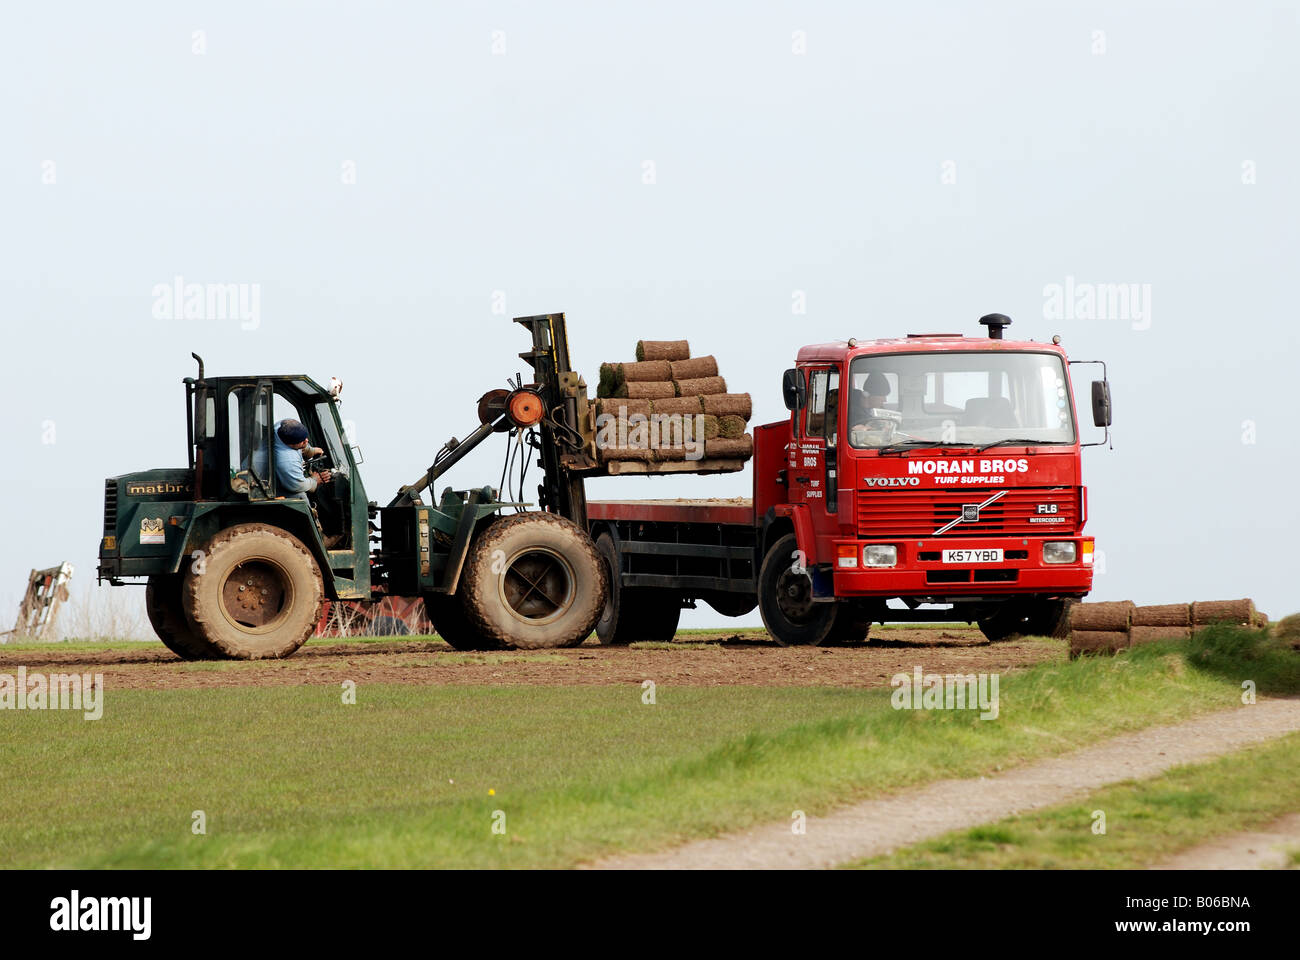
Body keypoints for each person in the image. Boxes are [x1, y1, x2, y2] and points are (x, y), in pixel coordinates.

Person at [271, 419, 332, 496]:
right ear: (291, 445)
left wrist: (310, 451)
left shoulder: (283, 426)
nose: (307, 441)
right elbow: (297, 485)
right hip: (274, 486)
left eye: (305, 438)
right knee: (300, 496)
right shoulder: (287, 461)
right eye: (302, 442)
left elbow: (299, 438)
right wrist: (314, 480)